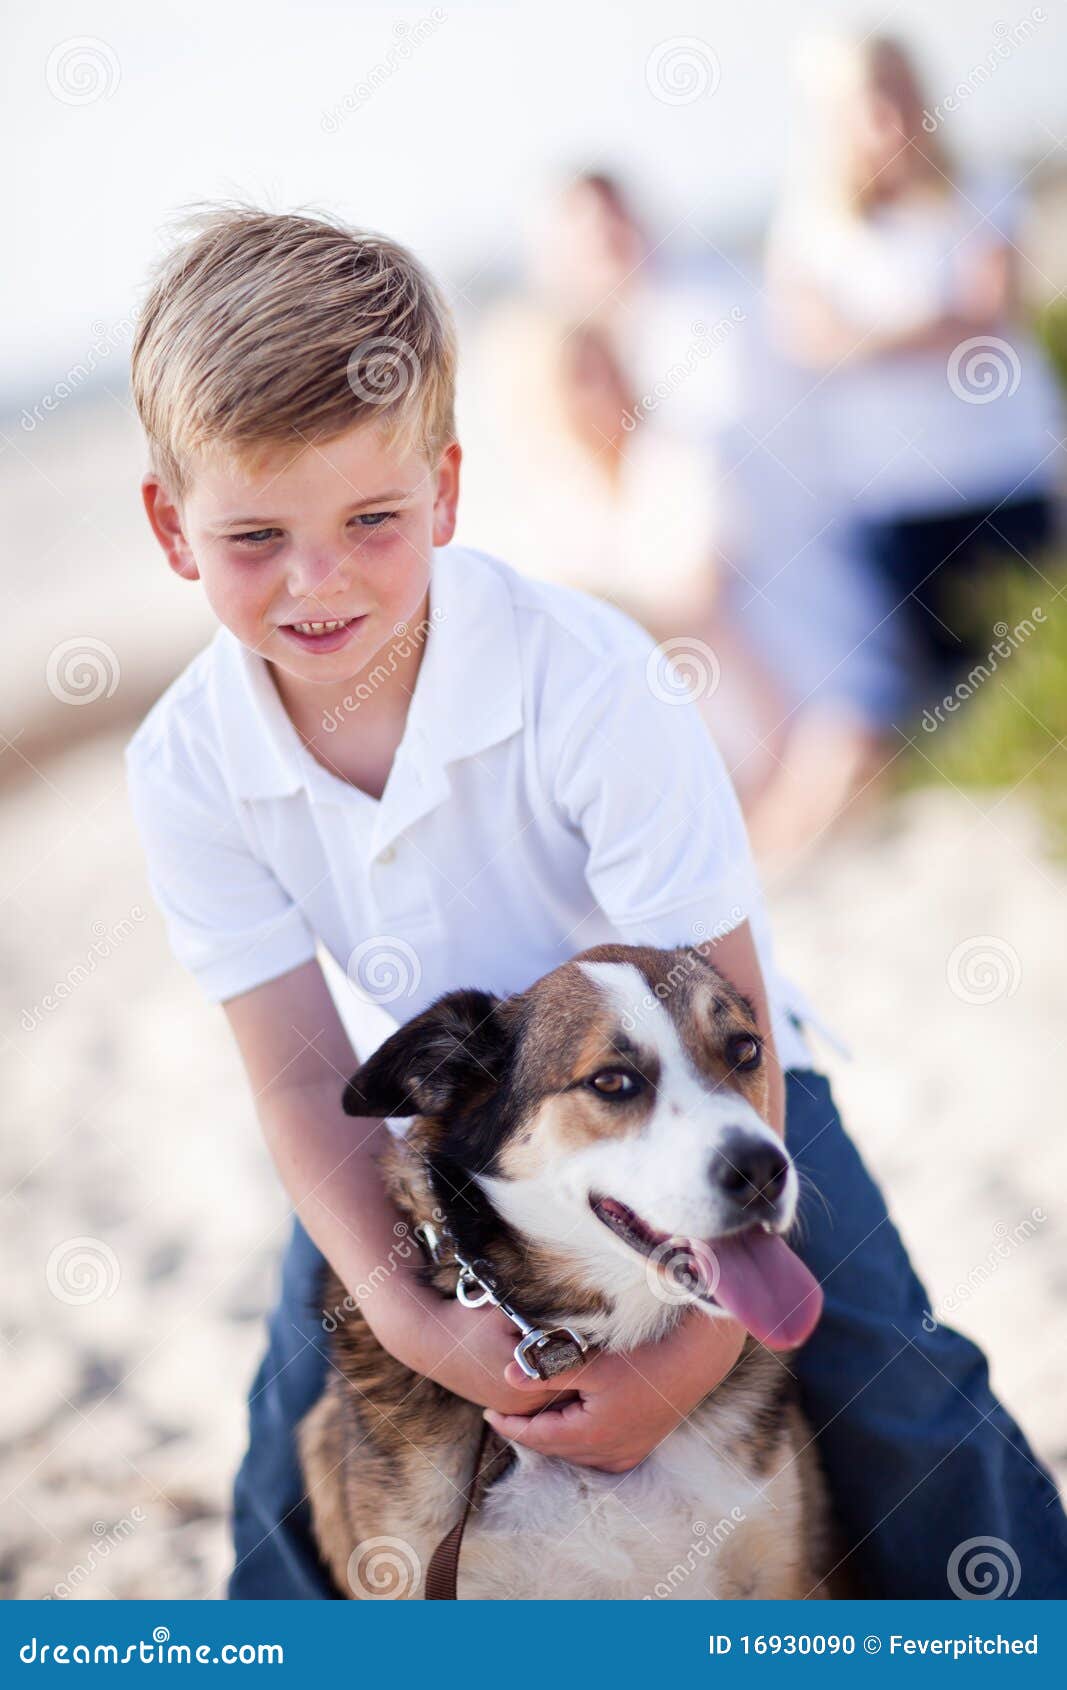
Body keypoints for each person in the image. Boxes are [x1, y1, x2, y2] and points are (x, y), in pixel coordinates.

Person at [123, 204, 1067, 1599]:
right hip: (439, 1100)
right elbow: (301, 1074)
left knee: (889, 1378)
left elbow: (725, 1003)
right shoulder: (186, 764)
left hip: (704, 1071)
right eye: (255, 536)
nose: (318, 582)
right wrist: (413, 1318)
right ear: (169, 525)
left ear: (444, 492)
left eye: (370, 521)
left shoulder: (587, 678)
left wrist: (682, 1360)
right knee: (287, 1447)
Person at [766, 33, 1062, 724]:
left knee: (1041, 657)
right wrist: (933, 321)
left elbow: (990, 315)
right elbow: (807, 340)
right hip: (893, 493)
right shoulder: (811, 221)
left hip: (1002, 471)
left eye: (897, 98)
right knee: (955, 687)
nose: (888, 122)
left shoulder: (981, 191)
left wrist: (866, 337)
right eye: (865, 106)